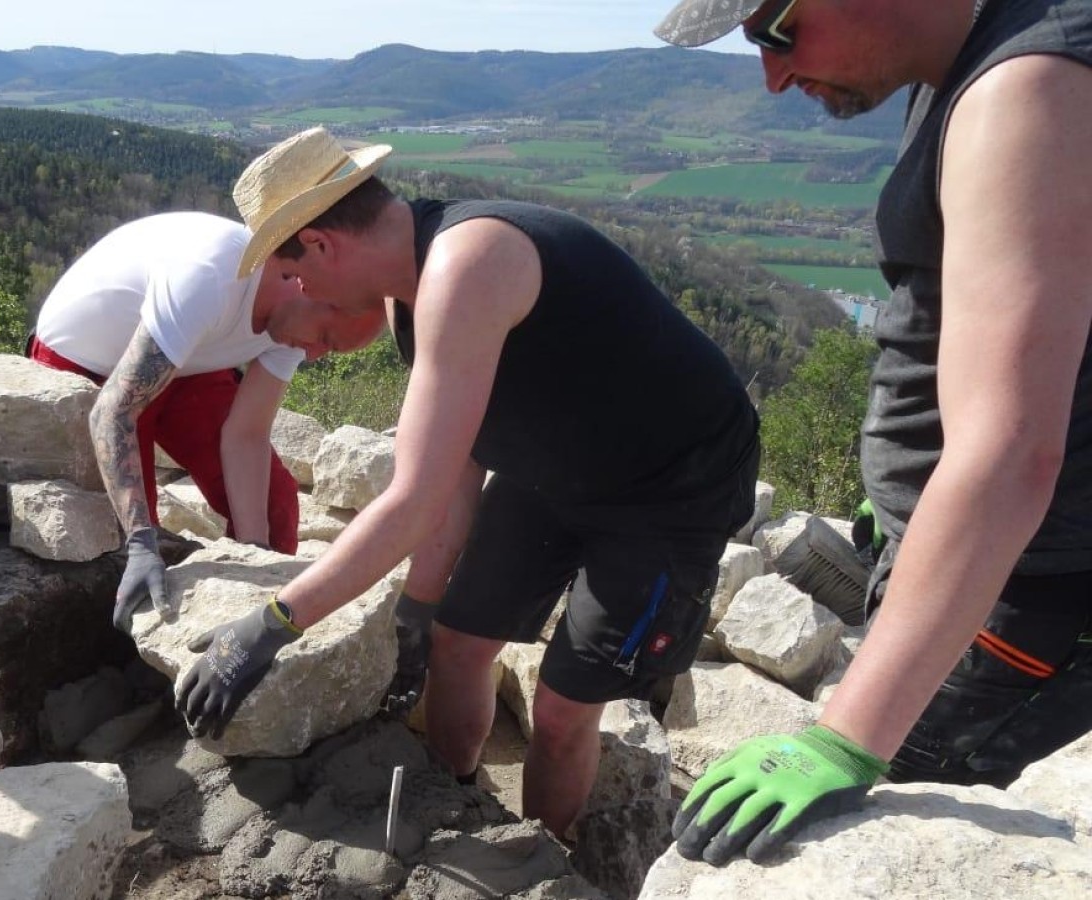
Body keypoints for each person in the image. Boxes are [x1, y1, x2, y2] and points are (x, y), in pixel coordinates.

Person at [176, 127, 760, 841]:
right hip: (552, 469)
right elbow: (453, 464)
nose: (299, 291)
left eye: (293, 273)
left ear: (322, 242)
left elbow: (412, 498)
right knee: (454, 644)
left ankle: (538, 862)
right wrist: (418, 606)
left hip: (669, 490)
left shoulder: (470, 262)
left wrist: (272, 624)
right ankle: (452, 801)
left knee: (561, 708)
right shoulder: (408, 290)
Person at [655, 0, 1092, 865]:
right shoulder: (974, 61)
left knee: (843, 854)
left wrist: (845, 738)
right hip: (984, 572)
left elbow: (1009, 456)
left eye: (774, 30)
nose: (773, 74)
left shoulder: (1025, 87)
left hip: (1021, 598)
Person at [29, 211, 386, 633]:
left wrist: (255, 554)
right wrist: (141, 541)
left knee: (276, 507)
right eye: (326, 338)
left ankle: (249, 634)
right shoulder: (210, 275)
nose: (316, 354)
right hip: (90, 365)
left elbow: (246, 434)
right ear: (308, 288)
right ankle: (126, 657)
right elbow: (113, 411)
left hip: (187, 362)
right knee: (122, 535)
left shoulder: (294, 323)